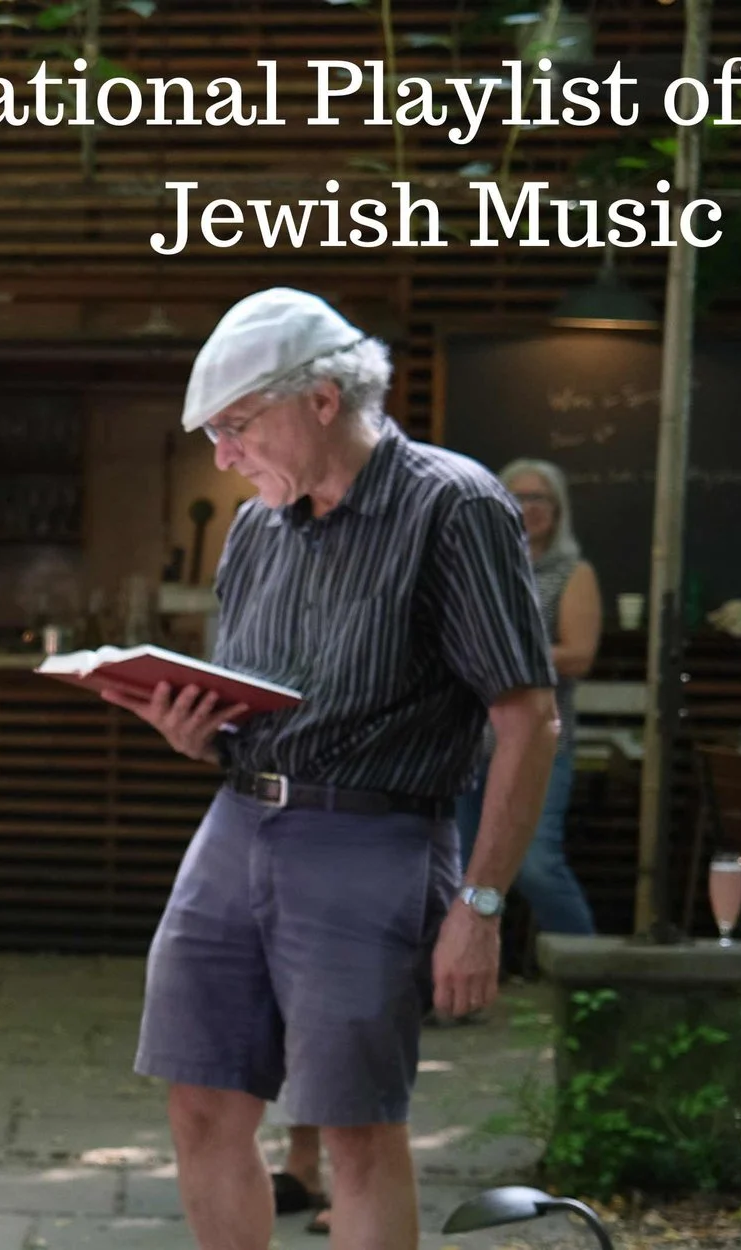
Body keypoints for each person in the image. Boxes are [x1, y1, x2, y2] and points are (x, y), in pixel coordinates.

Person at [106, 288, 557, 1250]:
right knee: (199, 1105)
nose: (223, 456)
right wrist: (198, 730)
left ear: (320, 400)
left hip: (375, 837)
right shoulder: (256, 528)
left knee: (355, 1129)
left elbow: (527, 717)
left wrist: (479, 908)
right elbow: (255, 701)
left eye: (235, 427)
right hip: (235, 826)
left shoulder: (455, 503)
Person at [453, 459, 600, 938]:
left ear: (558, 511)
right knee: (458, 873)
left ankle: (591, 983)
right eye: (517, 496)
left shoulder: (573, 573)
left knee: (536, 866)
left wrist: (497, 655)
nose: (528, 508)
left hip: (538, 745)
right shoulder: (481, 569)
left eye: (540, 498)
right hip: (467, 746)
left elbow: (578, 656)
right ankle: (459, 993)